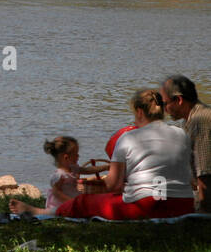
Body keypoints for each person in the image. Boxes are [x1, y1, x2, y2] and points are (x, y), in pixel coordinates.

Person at [12, 89, 195, 219]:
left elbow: (113, 185)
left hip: (149, 208)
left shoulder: (128, 138)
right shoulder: (181, 134)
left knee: (84, 203)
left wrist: (89, 189)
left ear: (139, 112)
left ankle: (37, 212)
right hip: (183, 205)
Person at [162, 74, 211, 212]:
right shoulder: (190, 120)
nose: (164, 109)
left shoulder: (200, 121)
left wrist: (203, 215)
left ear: (179, 100)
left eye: (166, 103)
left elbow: (205, 175)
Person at [42, 136, 107, 211]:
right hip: (61, 204)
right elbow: (56, 193)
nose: (78, 156)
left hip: (73, 200)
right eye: (76, 154)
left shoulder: (73, 168)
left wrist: (105, 167)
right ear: (66, 157)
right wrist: (71, 202)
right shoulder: (60, 175)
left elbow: (87, 170)